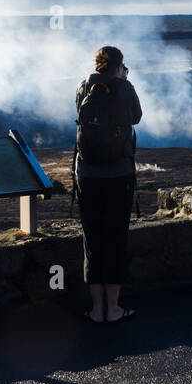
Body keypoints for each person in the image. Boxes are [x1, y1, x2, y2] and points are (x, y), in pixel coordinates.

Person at [73, 45, 142, 324]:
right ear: (119, 65)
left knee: (92, 240)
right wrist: (122, 82)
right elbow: (136, 118)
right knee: (115, 238)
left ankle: (96, 309)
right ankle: (113, 309)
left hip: (87, 176)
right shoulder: (125, 88)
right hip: (119, 175)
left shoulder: (83, 87)